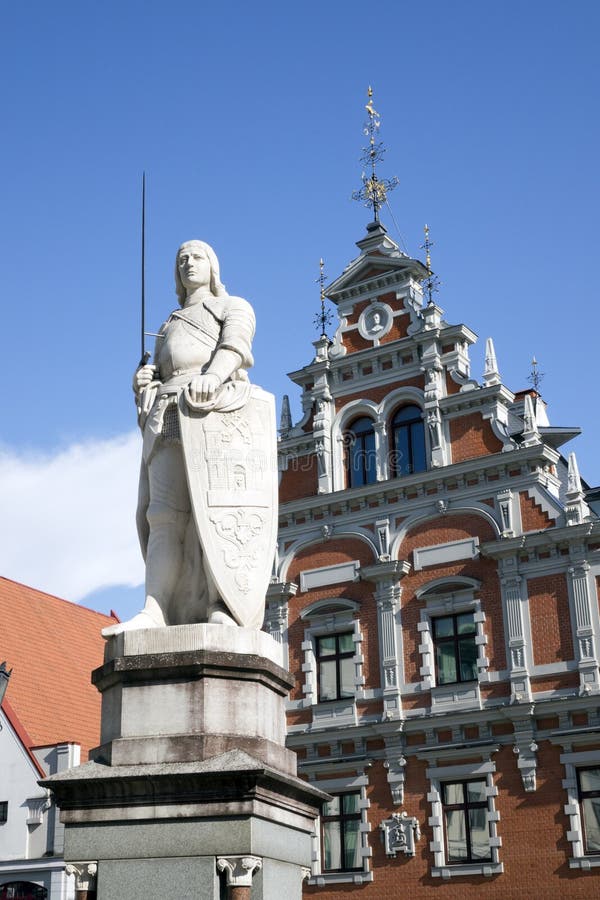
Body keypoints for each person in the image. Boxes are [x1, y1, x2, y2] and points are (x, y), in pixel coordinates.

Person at [103, 240, 274, 636]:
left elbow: (235, 347)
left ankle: (223, 604)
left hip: (212, 415)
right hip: (167, 416)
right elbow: (161, 375)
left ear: (213, 267)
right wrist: (143, 383)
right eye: (181, 259)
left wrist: (212, 377)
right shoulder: (169, 323)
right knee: (162, 515)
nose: (187, 263)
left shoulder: (234, 307)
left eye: (197, 257)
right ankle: (156, 607)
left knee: (210, 516)